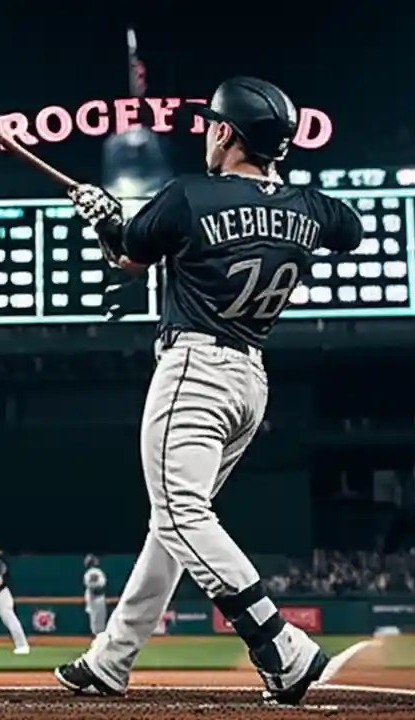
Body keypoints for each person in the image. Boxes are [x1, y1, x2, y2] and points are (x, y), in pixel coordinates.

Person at [54, 77, 363, 706]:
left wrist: (104, 218)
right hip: (251, 384)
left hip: (195, 371)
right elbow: (348, 228)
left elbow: (130, 255)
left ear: (226, 132)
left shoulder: (188, 194)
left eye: (211, 126)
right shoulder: (309, 206)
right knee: (171, 524)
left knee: (180, 515)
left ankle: (282, 645)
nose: (205, 134)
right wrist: (280, 195)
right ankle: (113, 658)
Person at [82, 554, 108, 637]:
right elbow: (102, 583)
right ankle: (98, 635)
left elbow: (88, 584)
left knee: (94, 617)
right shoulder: (98, 572)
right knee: (99, 617)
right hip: (97, 596)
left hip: (91, 596)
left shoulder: (88, 573)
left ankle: (95, 634)